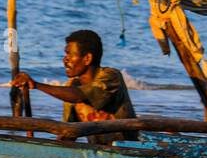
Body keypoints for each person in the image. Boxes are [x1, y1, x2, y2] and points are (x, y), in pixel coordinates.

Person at [10, 29, 138, 143]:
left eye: (70, 54)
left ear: (87, 58)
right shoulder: (71, 87)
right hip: (99, 153)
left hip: (129, 149)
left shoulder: (111, 77)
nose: (65, 60)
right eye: (65, 55)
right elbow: (69, 133)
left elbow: (79, 95)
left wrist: (36, 85)